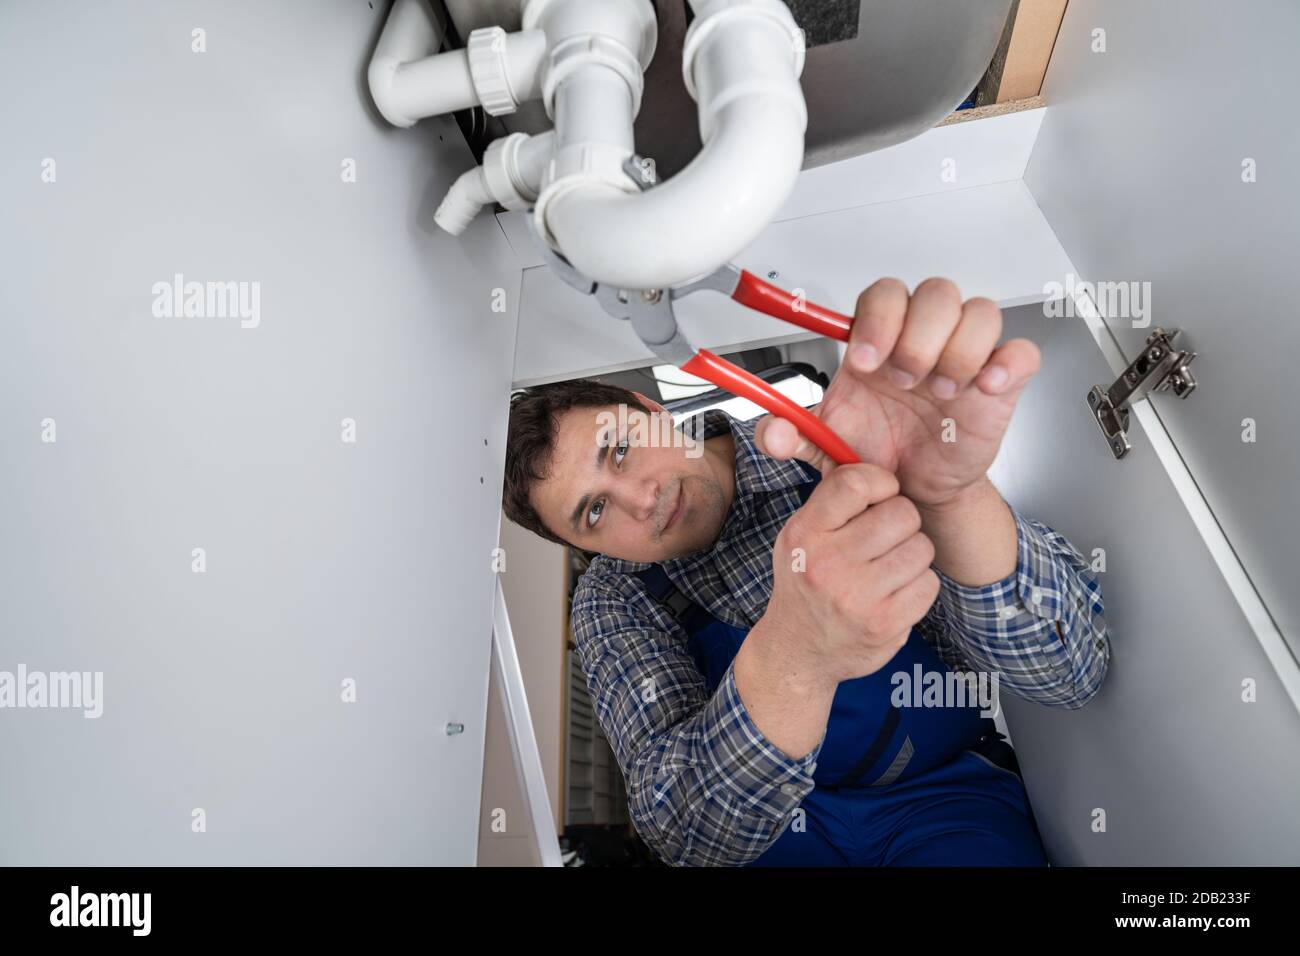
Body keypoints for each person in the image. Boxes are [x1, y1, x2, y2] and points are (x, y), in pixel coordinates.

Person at [502, 277, 1110, 866]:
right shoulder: (614, 600)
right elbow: (687, 835)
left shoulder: (837, 445)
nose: (644, 500)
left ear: (648, 408)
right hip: (776, 843)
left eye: (621, 450)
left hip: (944, 797)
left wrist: (950, 500)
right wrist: (798, 652)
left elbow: (1071, 673)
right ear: (581, 546)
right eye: (596, 511)